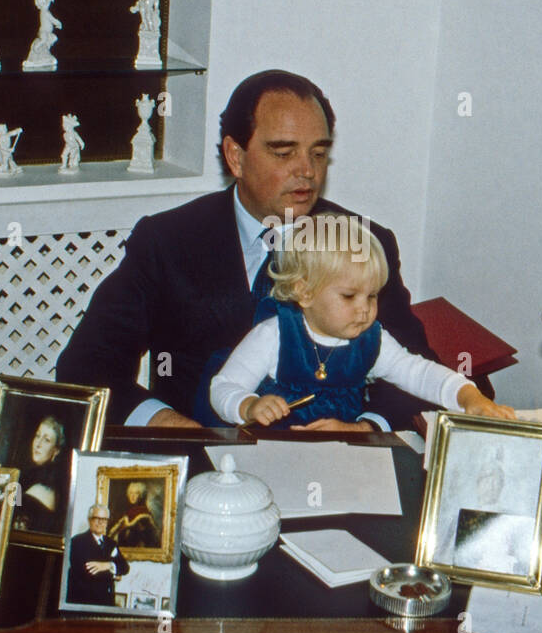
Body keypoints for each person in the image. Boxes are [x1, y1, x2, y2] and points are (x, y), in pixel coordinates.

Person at [55, 69, 440, 432]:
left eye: (318, 153)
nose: (307, 170)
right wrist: (167, 424)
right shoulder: (167, 241)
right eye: (284, 152)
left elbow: (418, 368)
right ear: (236, 156)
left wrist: (366, 427)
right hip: (200, 458)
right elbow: (87, 365)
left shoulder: (363, 242)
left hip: (333, 459)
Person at [210, 218, 516, 429]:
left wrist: (468, 396)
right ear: (305, 291)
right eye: (348, 296)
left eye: (372, 296)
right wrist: (248, 406)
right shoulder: (274, 335)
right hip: (274, 451)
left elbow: (418, 372)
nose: (364, 310)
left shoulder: (372, 340)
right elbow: (223, 387)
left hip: (342, 454)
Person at [66, 504, 129, 606]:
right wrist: (113, 571)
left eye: (104, 519)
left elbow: (125, 567)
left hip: (107, 602)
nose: (101, 522)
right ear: (89, 520)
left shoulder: (111, 543)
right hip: (83, 602)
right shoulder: (77, 541)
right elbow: (86, 570)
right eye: (97, 518)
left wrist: (108, 565)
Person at [16, 417, 67, 533]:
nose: (38, 444)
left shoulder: (50, 484)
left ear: (56, 450)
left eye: (47, 440)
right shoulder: (24, 474)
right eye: (37, 436)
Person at [107, 481, 159, 548]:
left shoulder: (143, 513)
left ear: (141, 495)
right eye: (131, 493)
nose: (133, 496)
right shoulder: (129, 512)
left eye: (136, 493)